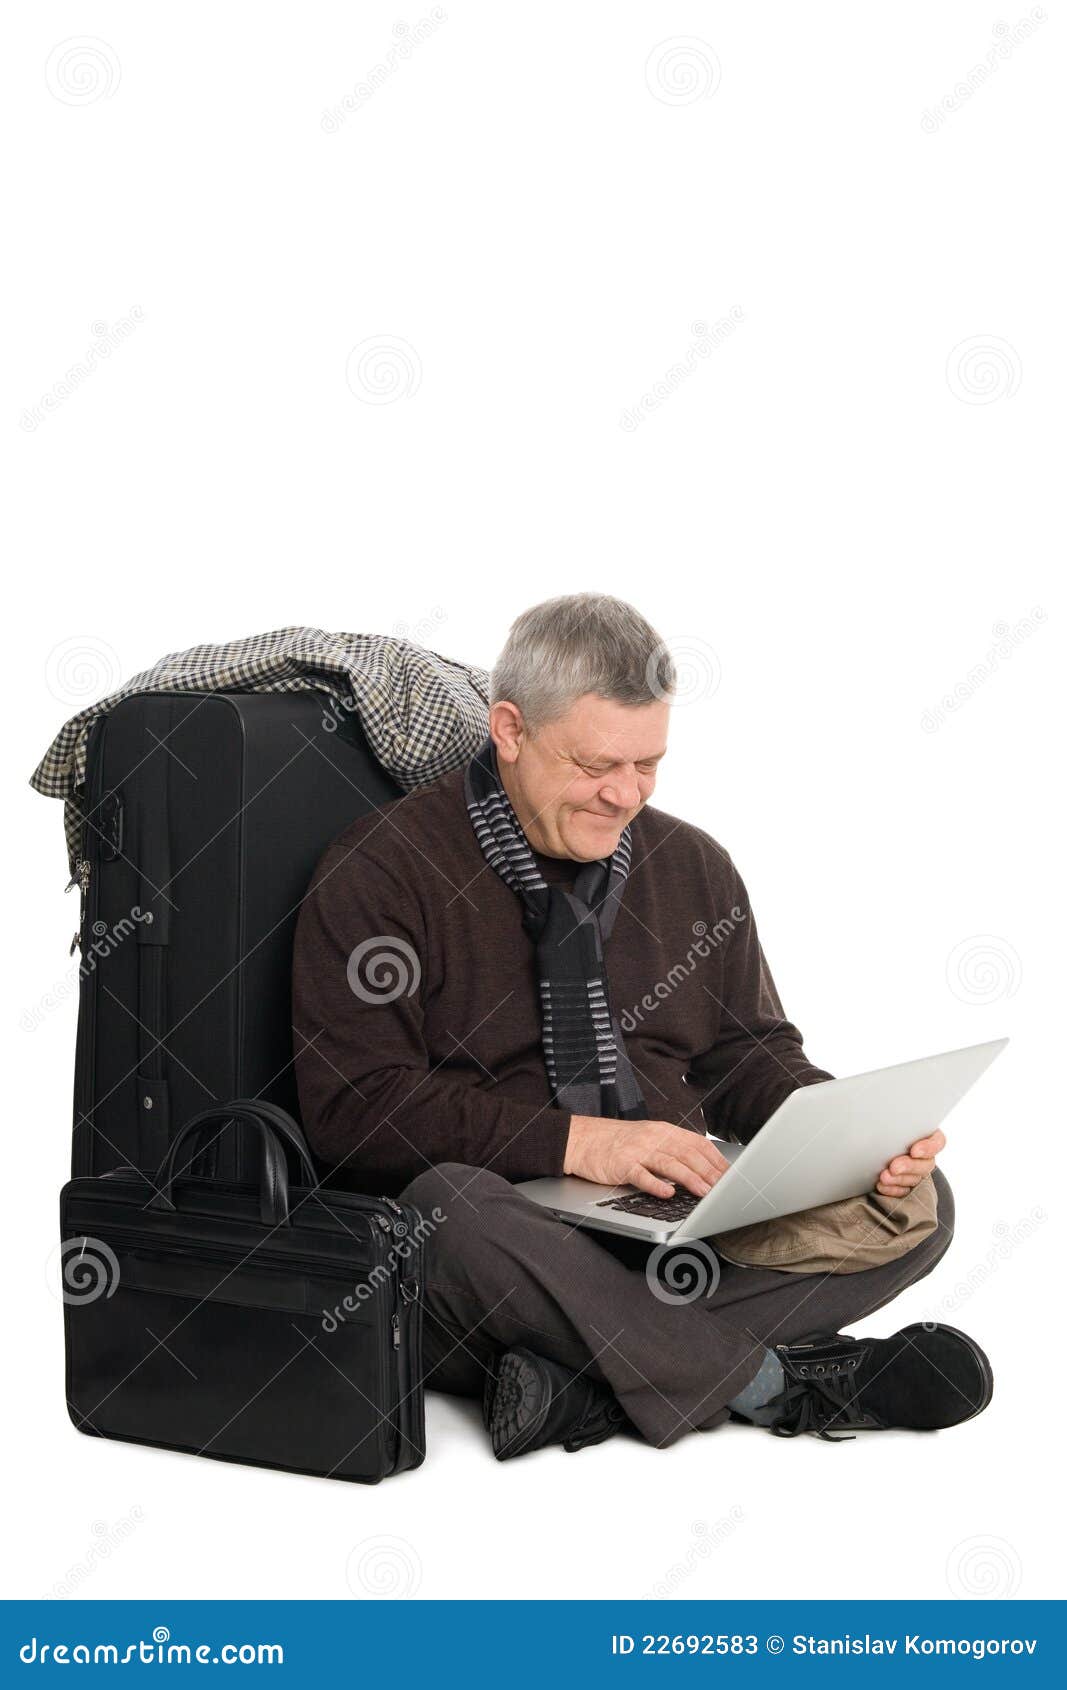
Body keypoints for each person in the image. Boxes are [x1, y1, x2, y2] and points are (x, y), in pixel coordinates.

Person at [293, 594, 991, 1458]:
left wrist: (840, 1134)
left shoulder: (690, 865)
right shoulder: (381, 869)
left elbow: (746, 1055)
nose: (623, 795)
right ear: (508, 730)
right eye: (594, 766)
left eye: (647, 765)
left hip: (667, 1223)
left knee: (917, 1204)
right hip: (500, 1237)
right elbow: (354, 1110)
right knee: (448, 1210)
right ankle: (773, 1386)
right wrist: (579, 1144)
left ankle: (579, 1392)